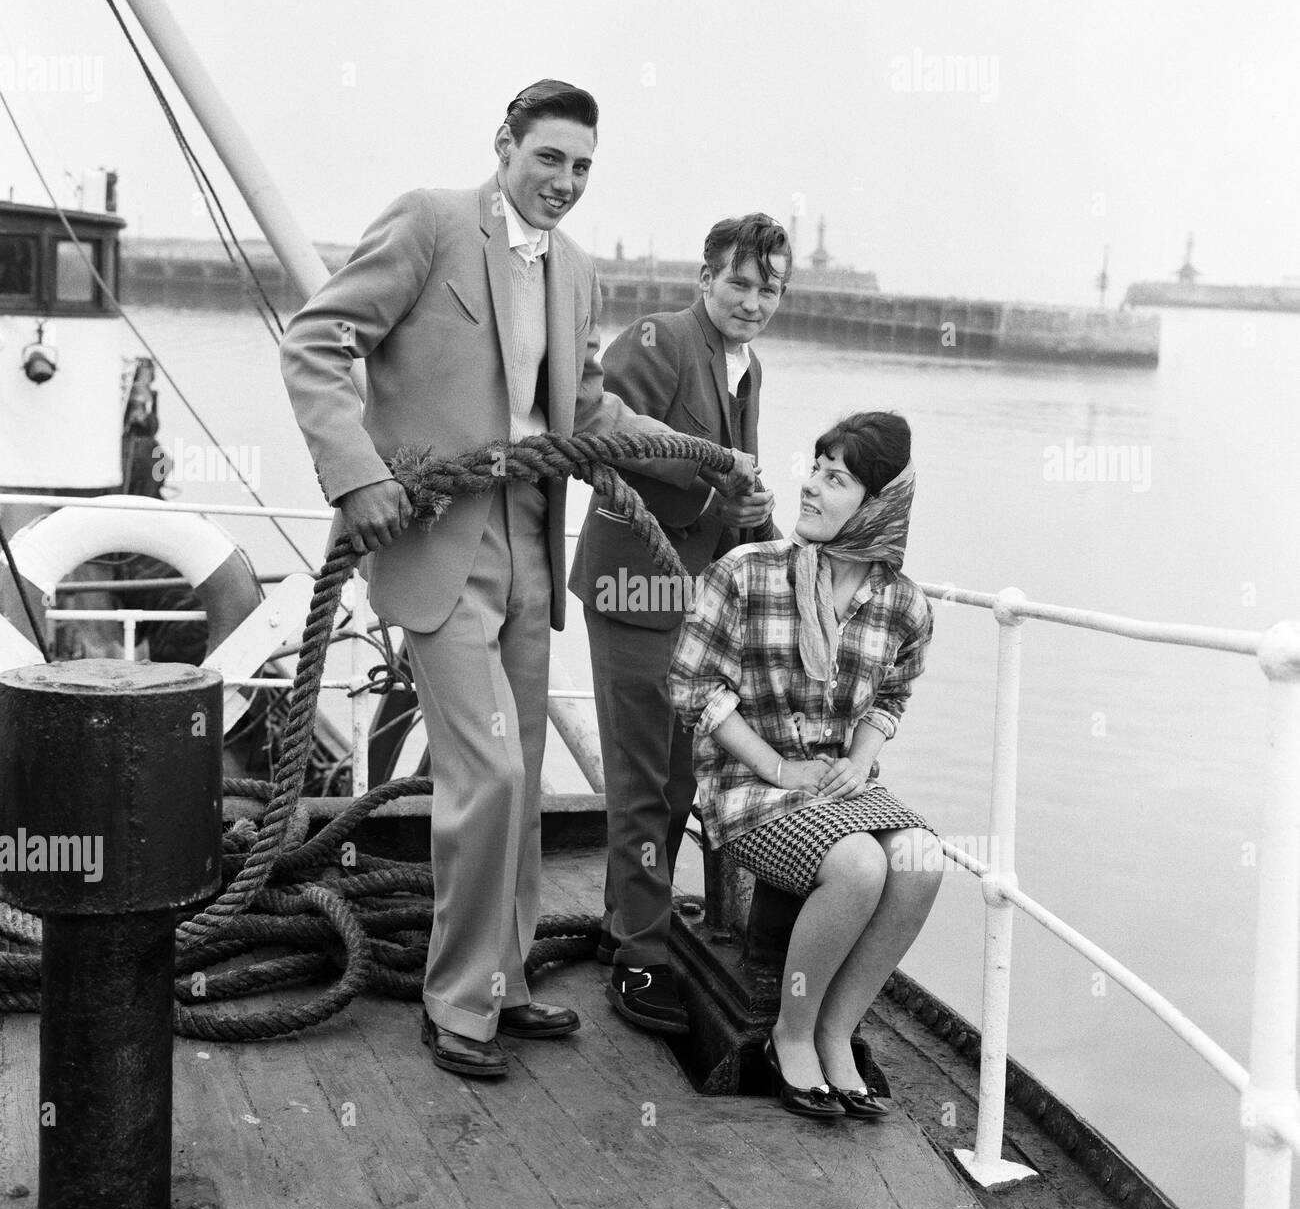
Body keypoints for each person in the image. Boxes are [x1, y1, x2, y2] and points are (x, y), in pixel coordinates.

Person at [279, 80, 755, 1080]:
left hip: (531, 544)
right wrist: (357, 477)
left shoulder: (577, 272)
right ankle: (454, 1002)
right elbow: (316, 341)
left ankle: (505, 981)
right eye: (549, 158)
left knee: (524, 777)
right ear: (503, 143)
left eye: (583, 166)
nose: (566, 182)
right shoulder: (429, 223)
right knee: (487, 772)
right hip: (437, 541)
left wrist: (702, 455)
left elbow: (589, 411)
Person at [668, 411, 943, 1118]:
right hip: (750, 786)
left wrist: (860, 759)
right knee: (858, 865)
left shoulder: (903, 606)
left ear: (879, 505)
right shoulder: (746, 573)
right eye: (816, 471)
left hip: (835, 784)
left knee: (919, 858)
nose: (812, 489)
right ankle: (789, 1037)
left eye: (837, 478)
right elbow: (691, 688)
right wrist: (777, 768)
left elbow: (891, 695)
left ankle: (836, 1031)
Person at [568, 214, 790, 1035]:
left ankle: (625, 919)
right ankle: (638, 958)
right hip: (634, 589)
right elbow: (596, 444)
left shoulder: (748, 369)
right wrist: (711, 490)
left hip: (692, 603)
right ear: (705, 280)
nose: (753, 301)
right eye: (739, 282)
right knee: (642, 780)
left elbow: (736, 482)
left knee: (678, 776)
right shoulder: (658, 341)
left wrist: (756, 512)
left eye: (769, 289)